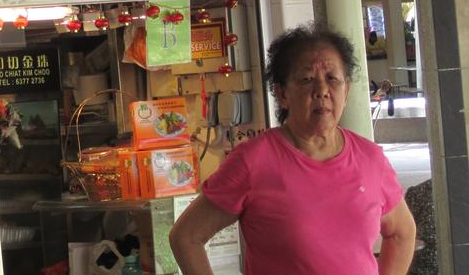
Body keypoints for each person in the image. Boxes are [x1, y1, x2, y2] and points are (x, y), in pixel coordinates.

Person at [169, 23, 416, 274]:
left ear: (347, 90)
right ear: (282, 93)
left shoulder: (370, 158)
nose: (322, 91)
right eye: (307, 80)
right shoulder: (254, 161)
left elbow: (401, 233)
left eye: (332, 79)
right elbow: (186, 237)